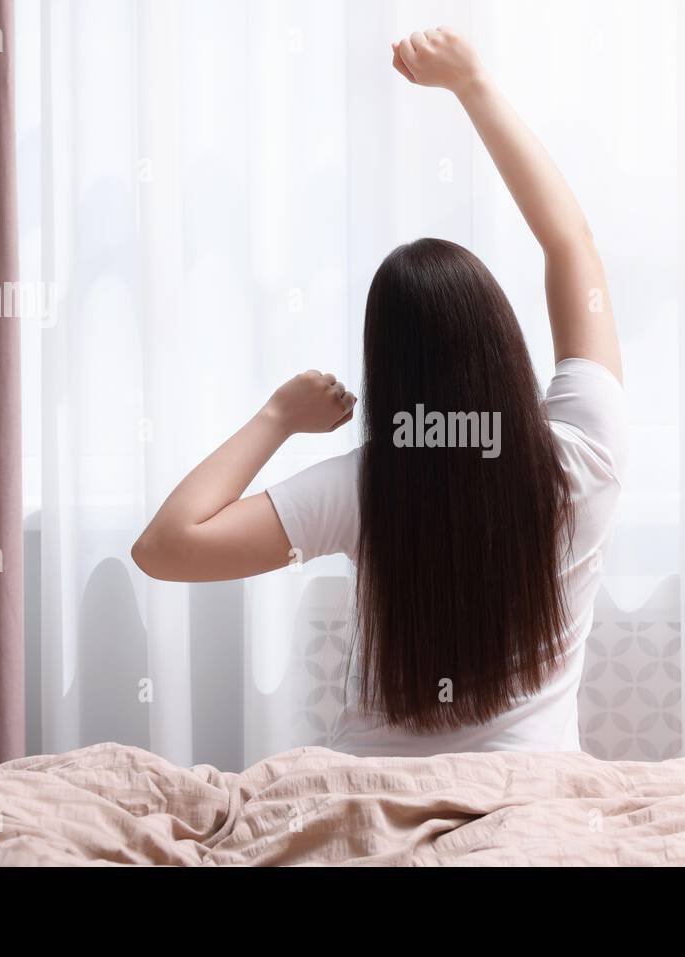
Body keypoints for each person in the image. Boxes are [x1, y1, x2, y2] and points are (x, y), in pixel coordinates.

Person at [133, 27, 625, 755]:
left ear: (389, 375)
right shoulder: (587, 459)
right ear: (503, 347)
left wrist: (278, 417)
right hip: (532, 796)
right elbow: (571, 244)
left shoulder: (367, 490)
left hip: (370, 799)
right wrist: (473, 85)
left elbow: (164, 548)